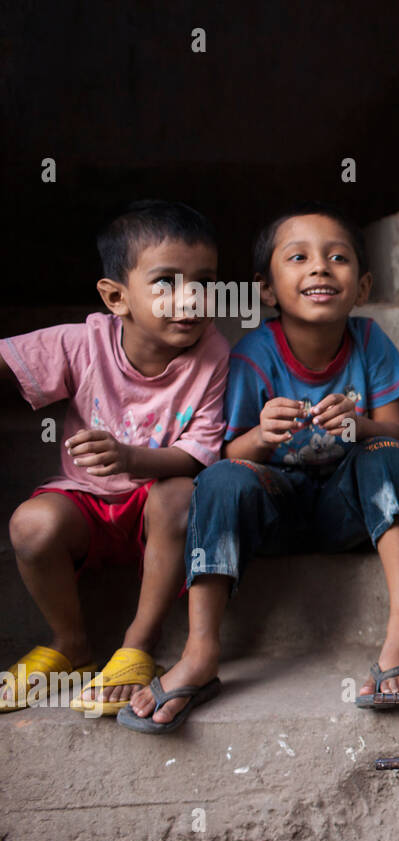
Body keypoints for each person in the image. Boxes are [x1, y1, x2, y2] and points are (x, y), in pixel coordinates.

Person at [119, 202, 399, 731]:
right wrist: (262, 435)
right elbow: (228, 453)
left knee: (389, 455)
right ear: (265, 290)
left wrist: (358, 425)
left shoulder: (369, 340)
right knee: (216, 479)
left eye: (338, 258)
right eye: (299, 257)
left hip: (347, 510)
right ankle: (201, 648)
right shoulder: (254, 352)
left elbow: (398, 433)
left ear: (364, 286)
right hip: (274, 511)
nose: (321, 268)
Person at [1, 200, 229, 715]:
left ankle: (137, 645)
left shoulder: (213, 355)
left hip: (160, 512)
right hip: (85, 506)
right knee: (30, 525)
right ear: (116, 297)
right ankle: (70, 645)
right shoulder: (83, 343)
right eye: (166, 281)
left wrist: (130, 457)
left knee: (181, 494)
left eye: (205, 281)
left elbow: (196, 458)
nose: (189, 297)